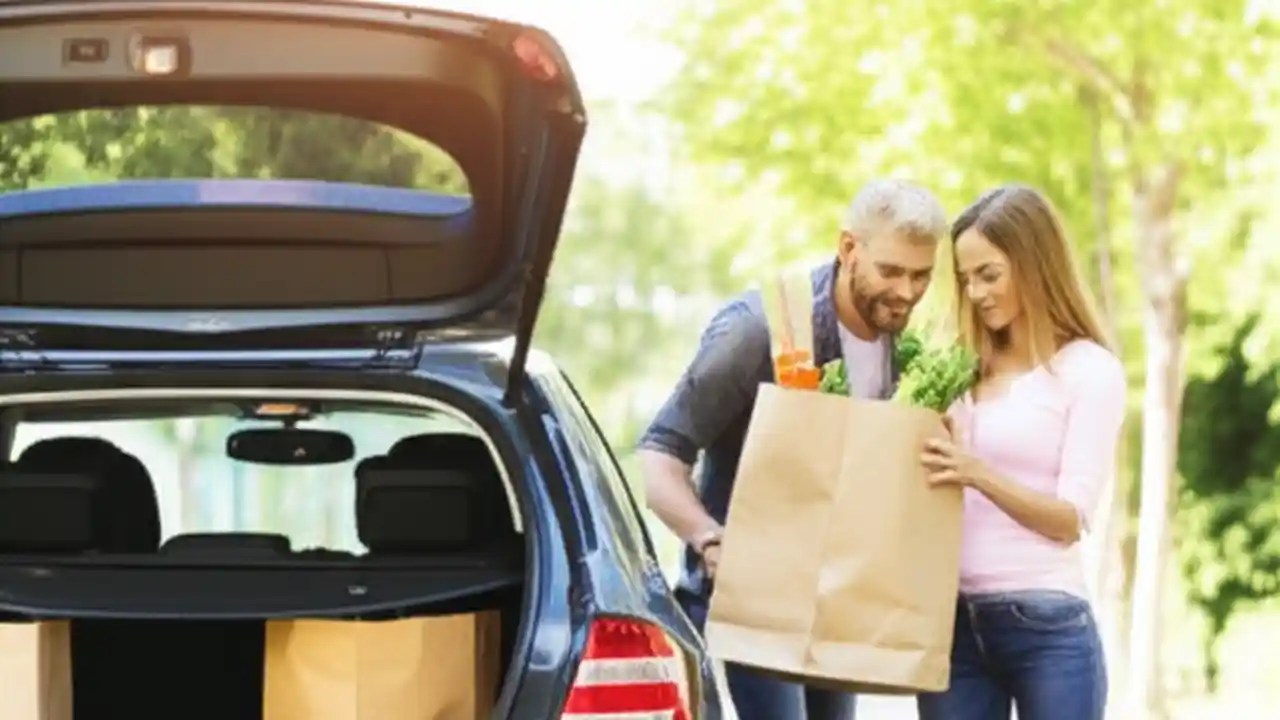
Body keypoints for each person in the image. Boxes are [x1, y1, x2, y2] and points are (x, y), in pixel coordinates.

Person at [637, 179, 948, 720]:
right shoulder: (761, 331)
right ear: (848, 247)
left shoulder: (904, 348)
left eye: (921, 275)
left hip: (838, 603)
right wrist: (709, 541)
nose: (906, 292)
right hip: (756, 598)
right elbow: (661, 455)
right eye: (890, 271)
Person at [916, 184, 1127, 720]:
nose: (977, 293)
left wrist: (977, 473)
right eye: (966, 280)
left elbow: (1068, 519)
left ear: (1034, 265)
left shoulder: (1087, 370)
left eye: (990, 274)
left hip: (1049, 630)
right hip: (955, 628)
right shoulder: (961, 374)